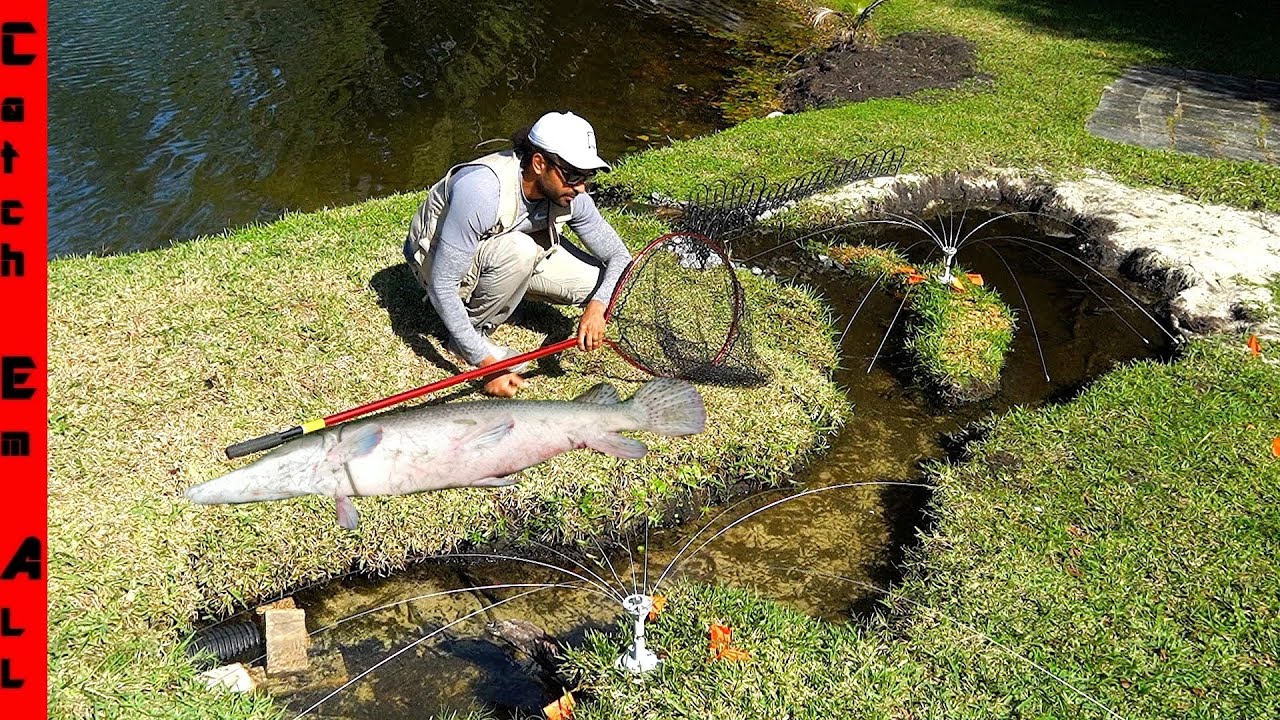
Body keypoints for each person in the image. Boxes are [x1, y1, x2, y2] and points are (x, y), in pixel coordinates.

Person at [403, 111, 633, 397]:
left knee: (596, 282)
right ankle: (468, 337)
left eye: (587, 176)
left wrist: (597, 307)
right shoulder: (483, 189)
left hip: (501, 251)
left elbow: (620, 257)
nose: (581, 187)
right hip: (434, 259)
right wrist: (486, 366)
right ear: (539, 163)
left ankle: (504, 289)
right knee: (521, 250)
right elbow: (442, 285)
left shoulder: (573, 195)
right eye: (573, 175)